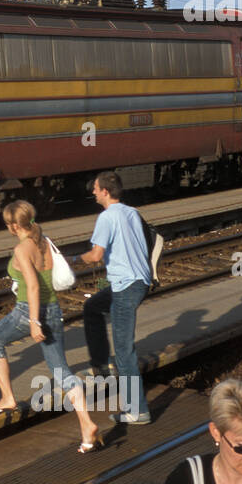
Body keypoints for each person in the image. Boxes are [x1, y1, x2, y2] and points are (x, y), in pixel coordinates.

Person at [0, 201, 102, 452]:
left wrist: (34, 322)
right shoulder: (44, 240)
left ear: (15, 225)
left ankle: (7, 398)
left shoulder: (22, 249)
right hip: (54, 309)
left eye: (8, 224)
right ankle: (87, 424)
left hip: (29, 310)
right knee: (61, 370)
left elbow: (34, 286)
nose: (7, 228)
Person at [78, 170, 153, 424]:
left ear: (106, 192)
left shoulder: (107, 217)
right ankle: (100, 364)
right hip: (139, 281)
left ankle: (137, 410)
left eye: (96, 189)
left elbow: (96, 255)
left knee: (124, 350)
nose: (93, 192)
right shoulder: (132, 212)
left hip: (126, 286)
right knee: (93, 307)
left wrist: (73, 260)